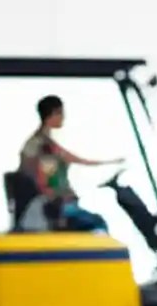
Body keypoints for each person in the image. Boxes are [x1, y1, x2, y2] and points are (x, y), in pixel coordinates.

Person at [19, 95, 122, 232]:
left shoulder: (45, 143)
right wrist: (62, 198)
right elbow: (48, 180)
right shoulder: (44, 146)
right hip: (54, 206)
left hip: (54, 203)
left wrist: (111, 162)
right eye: (61, 113)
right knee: (98, 224)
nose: (64, 117)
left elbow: (77, 160)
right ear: (53, 114)